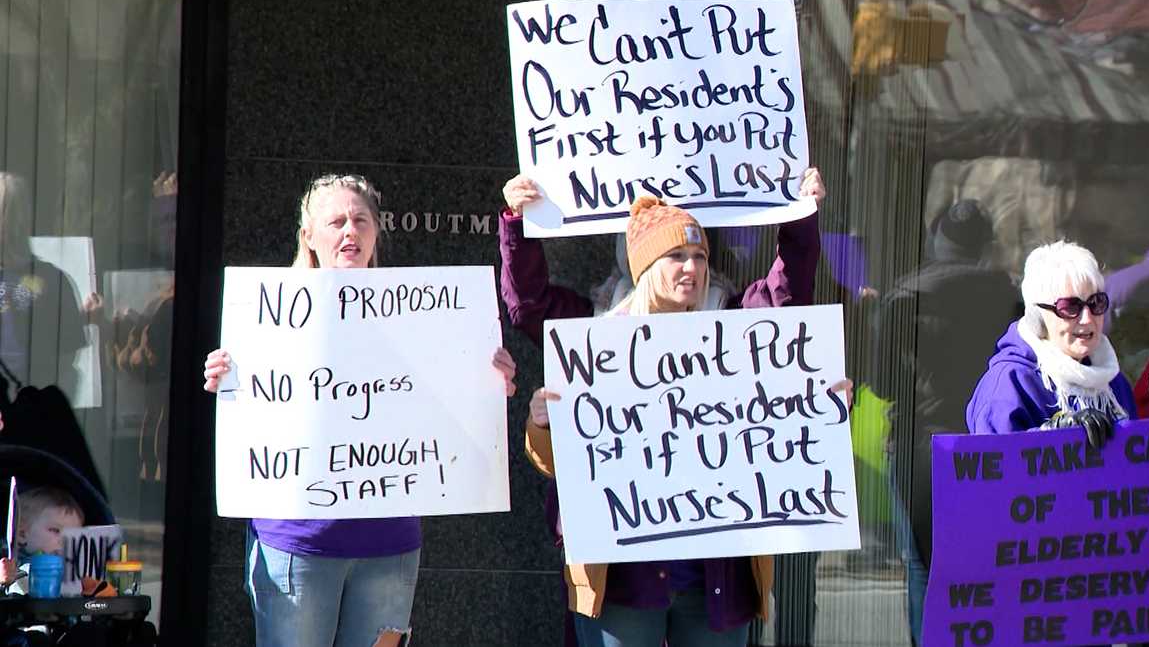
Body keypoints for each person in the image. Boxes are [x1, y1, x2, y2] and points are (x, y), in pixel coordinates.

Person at [519, 190, 851, 647]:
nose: (691, 268)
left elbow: (786, 294)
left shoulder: (734, 332)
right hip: (624, 583)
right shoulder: (596, 345)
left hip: (715, 580)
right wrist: (541, 422)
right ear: (644, 267)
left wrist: (815, 404)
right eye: (676, 256)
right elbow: (528, 305)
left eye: (699, 256)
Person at [202, 174, 517, 647]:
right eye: (336, 222)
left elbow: (447, 402)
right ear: (309, 236)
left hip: (389, 548)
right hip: (298, 544)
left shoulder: (420, 319)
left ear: (375, 233)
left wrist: (488, 382)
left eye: (360, 220)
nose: (350, 231)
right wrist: (228, 378)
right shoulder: (267, 322)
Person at [873, 200, 1019, 646]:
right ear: (985, 245)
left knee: (923, 566)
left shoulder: (906, 295)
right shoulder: (1009, 297)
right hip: (988, 447)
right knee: (986, 564)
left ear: (937, 240)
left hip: (920, 444)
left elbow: (882, 384)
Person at [966, 241, 1149, 446]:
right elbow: (995, 459)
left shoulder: (1112, 379)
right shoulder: (1009, 384)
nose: (1087, 319)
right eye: (1070, 307)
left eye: (1096, 303)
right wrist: (1055, 434)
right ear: (1038, 315)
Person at [1, 486, 86, 595]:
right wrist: (3, 579)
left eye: (73, 535)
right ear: (22, 534)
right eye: (55, 530)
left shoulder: (76, 568)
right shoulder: (9, 563)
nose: (65, 540)